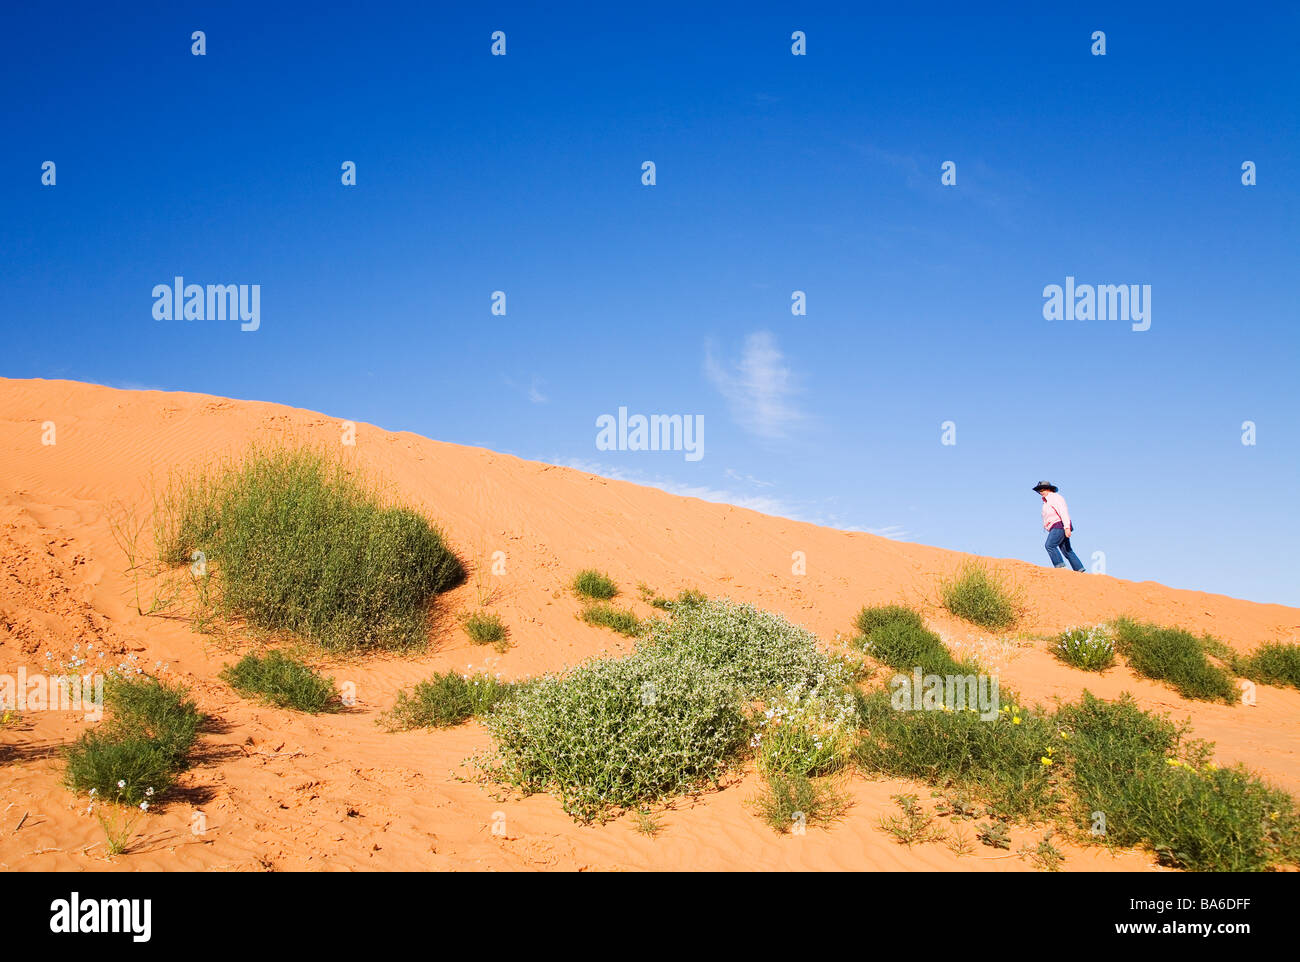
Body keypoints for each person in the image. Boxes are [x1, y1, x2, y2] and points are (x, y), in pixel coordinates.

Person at [1032, 481, 1086, 571]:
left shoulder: (1054, 497)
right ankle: (1079, 569)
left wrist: (1067, 527)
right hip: (1057, 526)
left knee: (1050, 545)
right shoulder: (1046, 501)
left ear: (1049, 489)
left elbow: (1063, 511)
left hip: (1059, 525)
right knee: (1067, 550)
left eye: (1043, 489)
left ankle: (1060, 567)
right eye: (1039, 490)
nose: (1041, 492)